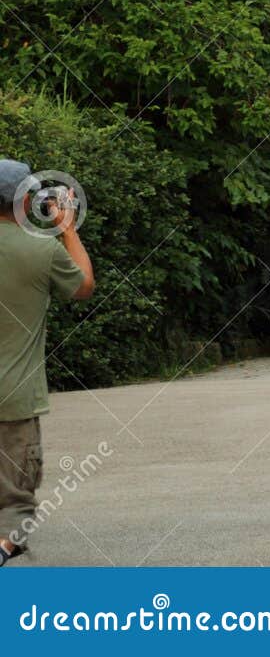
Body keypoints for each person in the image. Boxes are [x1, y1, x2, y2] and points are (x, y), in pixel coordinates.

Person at [0, 161, 94, 565]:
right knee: (15, 499)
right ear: (24, 201)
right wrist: (66, 229)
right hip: (15, 397)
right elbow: (83, 286)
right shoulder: (42, 250)